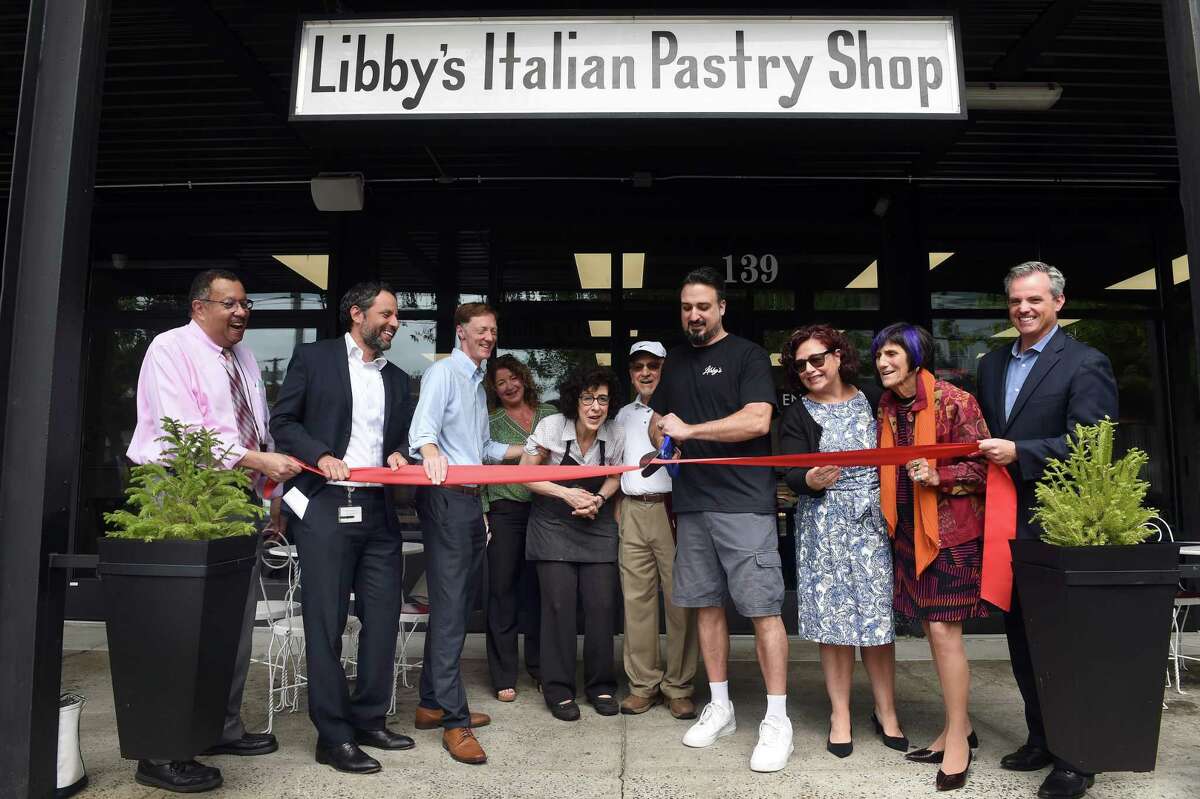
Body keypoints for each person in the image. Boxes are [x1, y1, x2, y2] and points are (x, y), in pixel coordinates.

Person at [127, 269, 298, 793]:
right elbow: (186, 432)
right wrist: (259, 461)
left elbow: (256, 425)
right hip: (181, 490)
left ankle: (218, 728)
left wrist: (268, 496)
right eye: (231, 304)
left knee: (234, 619)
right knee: (179, 624)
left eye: (246, 304)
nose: (242, 312)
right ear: (200, 306)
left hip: (237, 495)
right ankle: (162, 752)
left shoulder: (243, 357)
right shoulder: (169, 348)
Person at [976, 262, 1118, 799]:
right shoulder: (991, 364)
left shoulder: (1085, 362)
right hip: (1006, 521)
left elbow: (1093, 446)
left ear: (1059, 302)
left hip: (1061, 522)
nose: (1023, 309)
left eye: (1034, 300)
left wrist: (1022, 453)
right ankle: (1040, 737)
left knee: (1065, 642)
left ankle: (1075, 758)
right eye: (1015, 301)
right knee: (1021, 637)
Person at [647, 267, 791, 773]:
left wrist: (690, 430)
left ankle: (777, 720)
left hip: (743, 503)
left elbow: (757, 419)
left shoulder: (747, 355)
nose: (694, 315)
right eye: (687, 306)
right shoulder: (677, 360)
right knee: (705, 608)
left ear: (721, 307)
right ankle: (721, 707)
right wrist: (661, 438)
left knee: (762, 610)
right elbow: (658, 421)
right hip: (692, 506)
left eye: (703, 306)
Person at [270, 281, 416, 775]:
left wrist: (400, 453)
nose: (395, 323)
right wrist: (321, 456)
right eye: (388, 314)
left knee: (382, 620)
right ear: (357, 314)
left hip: (378, 512)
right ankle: (332, 736)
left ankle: (369, 719)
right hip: (326, 506)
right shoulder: (314, 359)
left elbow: (399, 440)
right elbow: (284, 422)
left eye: (396, 316)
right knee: (326, 623)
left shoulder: (397, 378)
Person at [872, 323, 990, 792]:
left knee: (944, 634)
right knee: (932, 631)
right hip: (906, 532)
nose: (882, 362)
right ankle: (952, 728)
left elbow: (983, 466)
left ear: (915, 357)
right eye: (879, 354)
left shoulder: (954, 400)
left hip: (949, 536)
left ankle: (958, 740)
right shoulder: (886, 406)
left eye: (892, 354)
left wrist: (938, 474)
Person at [407, 303, 525, 765]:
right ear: (461, 333)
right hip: (446, 500)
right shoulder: (444, 374)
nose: (489, 337)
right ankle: (454, 724)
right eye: (481, 330)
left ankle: (431, 704)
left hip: (471, 501)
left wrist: (530, 449)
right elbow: (423, 433)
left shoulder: (477, 383)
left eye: (493, 331)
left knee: (453, 607)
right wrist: (431, 453)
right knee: (453, 612)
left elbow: (482, 449)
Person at [778, 325, 903, 759]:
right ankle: (841, 714)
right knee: (834, 627)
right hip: (823, 526)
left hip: (872, 525)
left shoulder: (874, 397)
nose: (810, 369)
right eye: (800, 365)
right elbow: (790, 470)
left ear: (837, 355)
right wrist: (808, 480)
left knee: (876, 623)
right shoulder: (797, 414)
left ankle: (887, 711)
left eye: (817, 359)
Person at [520, 366, 624, 721]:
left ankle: (601, 686)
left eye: (603, 400)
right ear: (575, 401)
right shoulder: (551, 428)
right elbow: (525, 473)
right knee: (559, 608)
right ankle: (559, 689)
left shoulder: (616, 433)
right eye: (588, 399)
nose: (595, 407)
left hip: (596, 524)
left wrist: (597, 500)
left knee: (600, 608)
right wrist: (566, 493)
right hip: (552, 524)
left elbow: (614, 477)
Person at [614, 341, 699, 720]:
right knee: (637, 603)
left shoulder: (685, 410)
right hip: (632, 509)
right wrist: (619, 506)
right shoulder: (621, 416)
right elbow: (615, 466)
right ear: (631, 373)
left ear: (665, 368)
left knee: (680, 602)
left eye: (653, 365)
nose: (645, 373)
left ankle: (679, 686)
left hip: (672, 512)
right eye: (638, 367)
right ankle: (643, 685)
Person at [482, 353, 556, 701]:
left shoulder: (551, 414)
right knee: (503, 593)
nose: (509, 386)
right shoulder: (490, 420)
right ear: (494, 390)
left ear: (524, 378)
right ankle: (503, 673)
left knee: (541, 592)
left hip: (547, 510)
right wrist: (483, 512)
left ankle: (542, 669)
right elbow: (478, 462)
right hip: (505, 510)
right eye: (500, 382)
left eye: (513, 378)